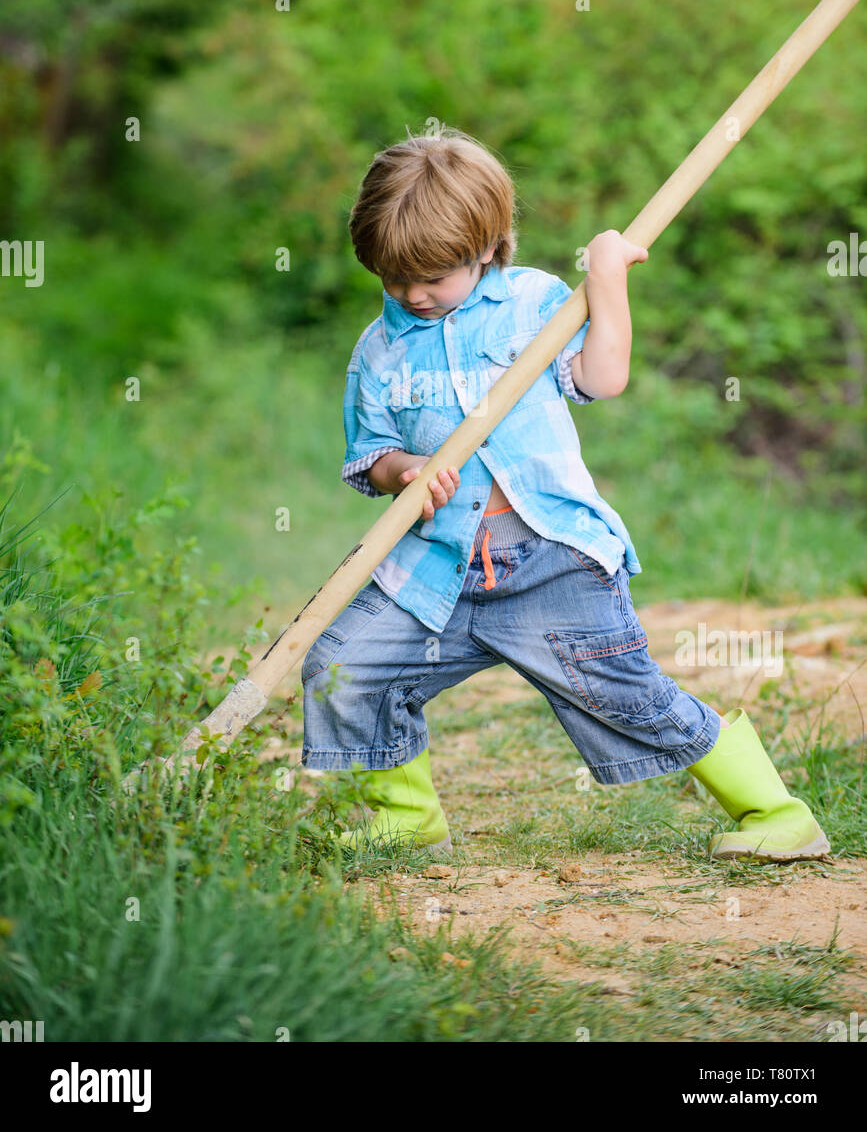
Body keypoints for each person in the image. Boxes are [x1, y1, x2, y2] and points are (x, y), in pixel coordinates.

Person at [301, 128, 829, 864]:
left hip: (547, 560)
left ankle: (775, 812)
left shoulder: (532, 305)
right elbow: (371, 455)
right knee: (342, 664)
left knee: (624, 693)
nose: (412, 294)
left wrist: (606, 276)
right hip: (435, 570)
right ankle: (405, 814)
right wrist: (405, 472)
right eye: (393, 278)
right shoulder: (379, 350)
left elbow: (601, 376)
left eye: (432, 276)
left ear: (485, 248)